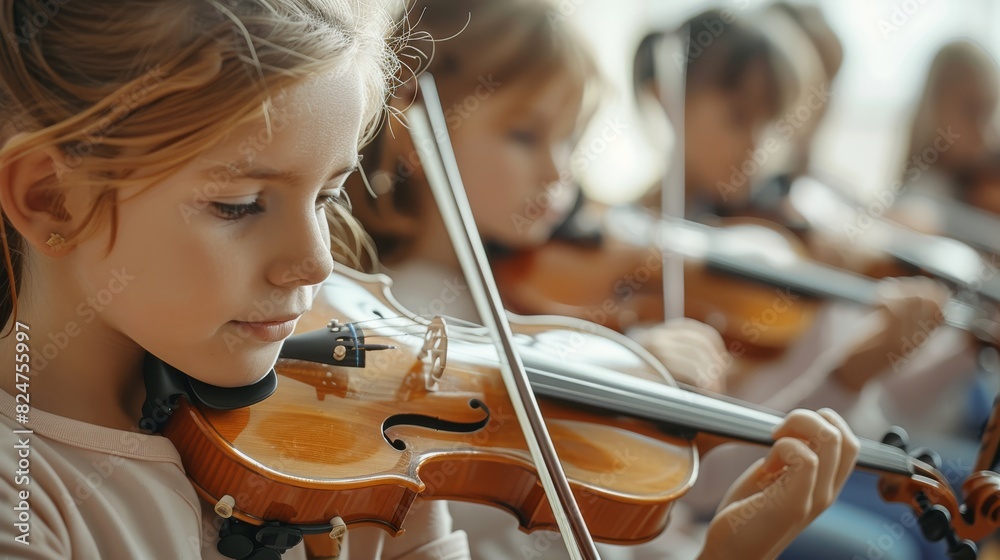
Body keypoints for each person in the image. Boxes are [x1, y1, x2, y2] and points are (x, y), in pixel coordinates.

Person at [338, 0, 862, 558]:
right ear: (414, 126)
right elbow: (493, 523)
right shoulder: (410, 317)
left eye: (570, 139)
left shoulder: (519, 293)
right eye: (525, 135)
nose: (559, 172)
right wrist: (618, 379)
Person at [0, 1, 472, 558]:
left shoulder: (366, 448)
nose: (317, 262)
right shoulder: (21, 498)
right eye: (240, 205)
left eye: (327, 196)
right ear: (51, 198)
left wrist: (404, 508)